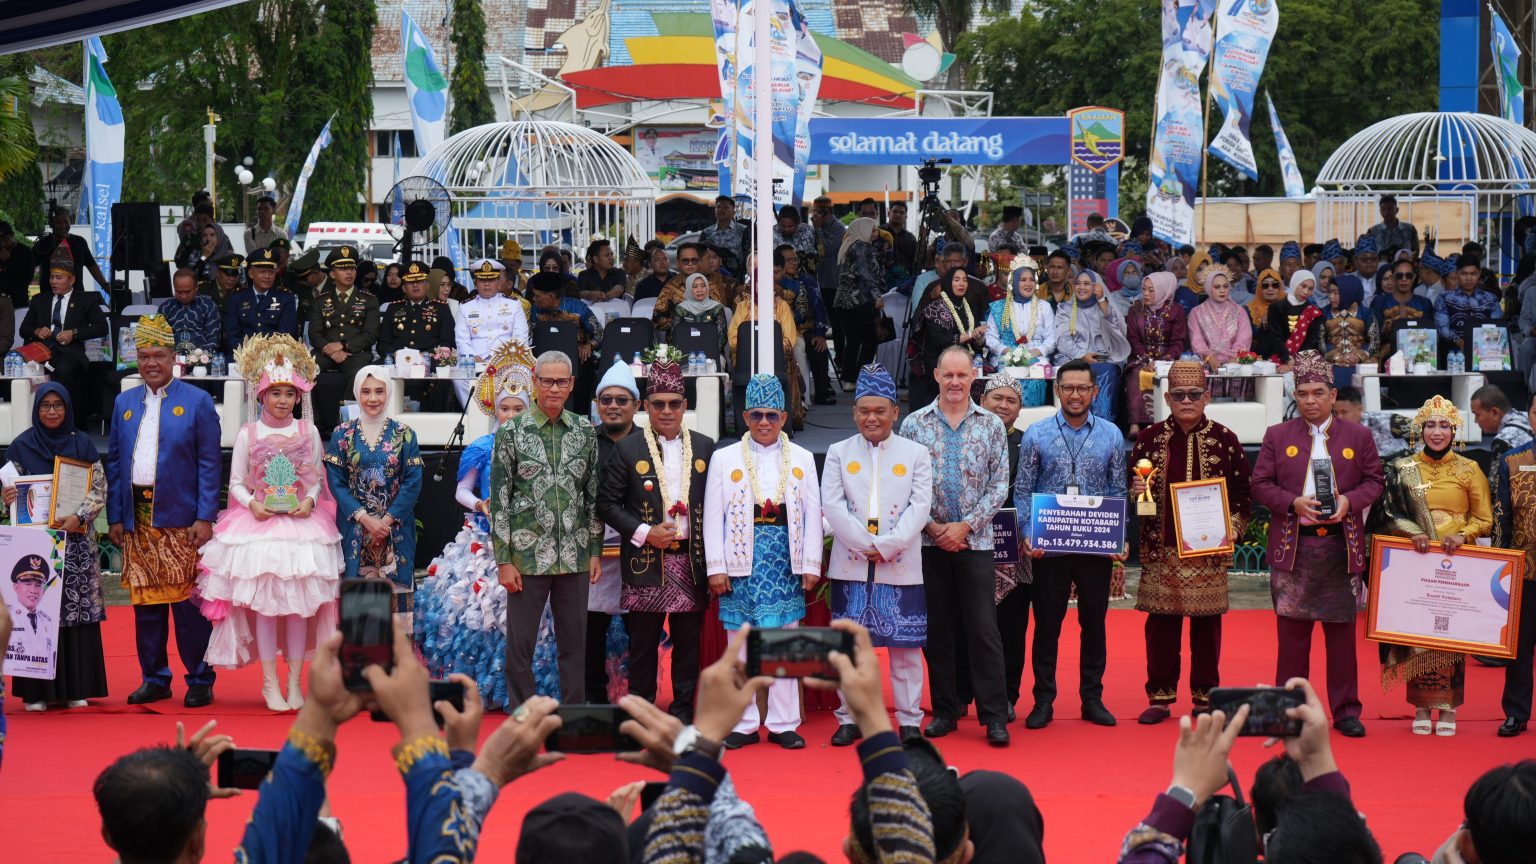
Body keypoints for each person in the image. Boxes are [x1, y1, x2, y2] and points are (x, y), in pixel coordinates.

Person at [1251, 350, 1384, 737]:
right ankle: (1288, 712)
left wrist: (1350, 502)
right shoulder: (1278, 435)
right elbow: (1260, 485)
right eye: (1303, 392)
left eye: (1318, 392)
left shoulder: (1358, 436)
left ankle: (1345, 711)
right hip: (1295, 547)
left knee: (1342, 636)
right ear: (1295, 394)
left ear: (1332, 395)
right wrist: (1292, 503)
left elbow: (1375, 481)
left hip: (1341, 547)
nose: (1310, 399)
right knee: (1291, 639)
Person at [106, 314, 222, 708]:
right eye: (143, 357)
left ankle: (200, 678)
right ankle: (155, 677)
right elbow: (116, 465)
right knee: (146, 607)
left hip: (183, 521)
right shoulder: (124, 402)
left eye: (157, 355)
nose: (150, 363)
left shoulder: (197, 401)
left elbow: (210, 463)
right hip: (137, 520)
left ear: (174, 358)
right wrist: (116, 517)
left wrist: (205, 516)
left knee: (187, 608)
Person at [1129, 361, 1253, 724]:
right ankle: (1160, 697)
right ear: (1166, 397)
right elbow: (1138, 494)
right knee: (1161, 627)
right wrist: (1136, 491)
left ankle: (1205, 697)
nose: (1187, 400)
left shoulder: (1226, 440)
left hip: (1208, 552)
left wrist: (1232, 527)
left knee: (1207, 628)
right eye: (1179, 395)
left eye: (1194, 394)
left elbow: (1244, 493)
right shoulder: (1148, 439)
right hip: (1161, 550)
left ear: (1207, 396)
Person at [899, 347, 1011, 745]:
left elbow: (1000, 486)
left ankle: (994, 715)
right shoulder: (913, 425)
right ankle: (946, 710)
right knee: (938, 630)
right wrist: (932, 528)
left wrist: (964, 527)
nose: (955, 382)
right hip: (928, 546)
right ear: (935, 375)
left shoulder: (992, 426)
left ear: (973, 376)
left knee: (983, 631)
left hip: (976, 543)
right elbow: (906, 485)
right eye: (948, 375)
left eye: (962, 375)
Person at [703, 374, 822, 749]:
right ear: (744, 416)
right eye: (756, 415)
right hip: (741, 559)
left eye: (772, 415)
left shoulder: (802, 458)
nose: (764, 423)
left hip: (786, 559)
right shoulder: (725, 458)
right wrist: (716, 567)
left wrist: (811, 565)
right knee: (739, 643)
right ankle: (743, 723)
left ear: (784, 417)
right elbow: (712, 516)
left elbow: (813, 512)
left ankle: (785, 721)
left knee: (785, 640)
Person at [416, 342, 536, 710]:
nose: (511, 414)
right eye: (505, 408)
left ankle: (523, 686)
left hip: (531, 542)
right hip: (484, 539)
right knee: (480, 614)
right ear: (494, 409)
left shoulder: (541, 445)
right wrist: (482, 503)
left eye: (519, 408)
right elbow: (460, 491)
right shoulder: (483, 446)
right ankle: (482, 685)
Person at [823, 363, 933, 744]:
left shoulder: (916, 453)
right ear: (854, 412)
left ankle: (908, 720)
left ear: (894, 412)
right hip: (850, 564)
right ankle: (849, 716)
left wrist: (886, 546)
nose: (872, 418)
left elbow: (920, 508)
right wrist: (863, 544)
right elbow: (833, 506)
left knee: (905, 648)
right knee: (851, 647)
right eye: (864, 411)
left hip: (901, 563)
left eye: (880, 410)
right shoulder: (838, 452)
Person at [598, 359, 714, 722]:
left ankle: (683, 713)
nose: (667, 411)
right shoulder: (628, 449)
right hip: (647, 560)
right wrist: (647, 533)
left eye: (674, 403)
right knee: (643, 644)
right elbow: (606, 504)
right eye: (659, 404)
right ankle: (642, 712)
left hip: (691, 561)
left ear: (685, 406)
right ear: (646, 407)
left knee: (688, 646)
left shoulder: (706, 448)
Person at [1016, 358, 1128, 730]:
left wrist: (1119, 534)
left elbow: (1117, 489)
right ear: (1057, 390)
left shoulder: (1112, 434)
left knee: (1093, 624)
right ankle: (1043, 700)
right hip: (1049, 547)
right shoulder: (1036, 433)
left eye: (1083, 388)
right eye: (1068, 388)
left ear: (1094, 392)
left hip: (1095, 545)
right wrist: (1028, 532)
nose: (1076, 394)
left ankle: (1091, 698)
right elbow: (1023, 490)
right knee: (1047, 625)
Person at [490, 350, 603, 705]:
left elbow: (592, 496)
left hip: (575, 554)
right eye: (547, 381)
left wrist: (595, 551)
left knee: (575, 645)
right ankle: (523, 717)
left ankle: (573, 716)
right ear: (535, 383)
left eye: (562, 381)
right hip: (526, 557)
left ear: (571, 385)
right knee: (520, 645)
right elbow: (499, 499)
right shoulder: (511, 432)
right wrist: (503, 559)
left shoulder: (585, 430)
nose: (554, 388)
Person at [1375, 396, 1489, 736]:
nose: (1436, 432)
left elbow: (1484, 519)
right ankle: (1422, 706)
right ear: (1419, 430)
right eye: (1430, 425)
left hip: (1456, 563)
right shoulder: (1403, 468)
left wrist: (1463, 534)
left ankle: (1448, 708)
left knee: (1450, 634)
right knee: (1417, 633)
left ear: (1454, 431)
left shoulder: (1470, 469)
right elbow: (1390, 514)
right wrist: (1412, 533)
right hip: (1416, 562)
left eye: (1444, 426)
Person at [4, 384, 108, 711]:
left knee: (74, 613)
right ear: (36, 410)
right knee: (36, 608)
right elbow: (11, 491)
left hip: (75, 542)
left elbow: (99, 489)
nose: (51, 412)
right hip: (35, 545)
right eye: (45, 406)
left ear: (67, 408)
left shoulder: (82, 444)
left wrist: (78, 517)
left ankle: (76, 688)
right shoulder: (21, 446)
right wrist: (6, 497)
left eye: (57, 405)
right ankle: (36, 693)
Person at [325, 366, 424, 621]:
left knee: (395, 612)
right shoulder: (342, 434)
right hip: (355, 530)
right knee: (360, 612)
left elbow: (412, 482)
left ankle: (396, 660)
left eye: (379, 391)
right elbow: (336, 482)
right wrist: (365, 519)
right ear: (357, 394)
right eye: (366, 391)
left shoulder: (405, 434)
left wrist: (386, 521)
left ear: (389, 393)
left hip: (396, 531)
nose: (373, 398)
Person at [21, 244, 109, 424]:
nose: (54, 282)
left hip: (71, 353)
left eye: (59, 278)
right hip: (42, 352)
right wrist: (37, 330)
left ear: (72, 279)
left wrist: (74, 333)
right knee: (20, 369)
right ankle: (30, 423)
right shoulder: (40, 300)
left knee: (64, 370)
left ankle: (64, 422)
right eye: (52, 277)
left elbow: (102, 327)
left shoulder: (86, 300)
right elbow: (24, 329)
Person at [1496, 394, 1536, 737]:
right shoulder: (1512, 460)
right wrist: (1499, 565)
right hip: (1525, 570)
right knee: (1519, 647)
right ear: (1530, 416)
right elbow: (1501, 520)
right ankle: (1516, 712)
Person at [1052, 269, 1131, 422]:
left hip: (1104, 358)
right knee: (1071, 372)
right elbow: (1062, 339)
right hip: (1073, 357)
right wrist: (1082, 355)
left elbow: (1117, 331)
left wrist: (1102, 301)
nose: (1081, 287)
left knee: (1107, 370)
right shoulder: (1065, 309)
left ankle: (1103, 423)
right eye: (1078, 283)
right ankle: (1076, 422)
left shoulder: (1105, 306)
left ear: (1096, 286)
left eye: (1087, 284)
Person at [910, 266, 987, 410]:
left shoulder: (967, 306)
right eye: (956, 280)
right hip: (939, 359)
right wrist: (970, 335)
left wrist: (979, 339)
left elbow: (977, 342)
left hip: (966, 358)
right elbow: (940, 341)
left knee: (987, 376)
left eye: (965, 280)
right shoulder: (934, 309)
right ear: (947, 282)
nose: (961, 284)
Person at [984, 256, 1056, 407]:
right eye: (1023, 280)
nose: (1028, 283)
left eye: (1032, 279)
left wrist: (1034, 353)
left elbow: (1051, 339)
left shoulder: (1044, 307)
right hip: (1006, 357)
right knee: (1009, 381)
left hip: (1036, 357)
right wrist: (1008, 352)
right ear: (1014, 282)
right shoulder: (999, 308)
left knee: (1035, 380)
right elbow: (990, 338)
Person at [1124, 271, 1188, 435]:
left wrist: (1166, 361)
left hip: (1168, 359)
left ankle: (1169, 421)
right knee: (1136, 375)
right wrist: (1146, 360)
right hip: (1140, 358)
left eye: (1151, 290)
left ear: (1163, 290)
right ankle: (1135, 423)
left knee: (1173, 377)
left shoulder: (1176, 310)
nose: (1145, 293)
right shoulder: (1135, 309)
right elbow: (1133, 339)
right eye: (1144, 288)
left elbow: (1178, 340)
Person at [310, 246, 380, 387]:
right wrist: (330, 350)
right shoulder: (321, 300)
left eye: (352, 268)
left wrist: (343, 345)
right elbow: (314, 333)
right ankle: (315, 410)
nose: (349, 272)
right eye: (342, 269)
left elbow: (371, 334)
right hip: (326, 352)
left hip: (356, 353)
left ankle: (346, 409)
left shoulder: (369, 299)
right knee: (306, 372)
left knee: (359, 375)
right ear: (332, 274)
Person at [833, 217, 887, 392]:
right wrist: (877, 296)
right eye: (872, 230)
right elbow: (866, 273)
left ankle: (849, 380)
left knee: (854, 340)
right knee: (870, 339)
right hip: (860, 301)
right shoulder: (862, 246)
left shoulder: (849, 244)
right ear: (862, 230)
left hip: (843, 302)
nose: (876, 234)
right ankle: (861, 378)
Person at [1187, 269, 1253, 400]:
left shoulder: (1239, 311)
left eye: (1225, 286)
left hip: (1234, 363)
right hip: (1206, 362)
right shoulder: (1196, 312)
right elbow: (1197, 340)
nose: (1222, 290)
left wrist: (1233, 359)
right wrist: (1209, 358)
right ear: (1208, 288)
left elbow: (1244, 338)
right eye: (1217, 287)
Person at [223, 248, 299, 350]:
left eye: (271, 272)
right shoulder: (236, 297)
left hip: (275, 355)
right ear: (251, 274)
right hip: (242, 354)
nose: (267, 276)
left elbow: (285, 335)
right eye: (262, 272)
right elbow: (232, 334)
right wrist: (247, 354)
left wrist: (267, 353)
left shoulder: (285, 298)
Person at [379, 260, 456, 356]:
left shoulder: (442, 308)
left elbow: (448, 343)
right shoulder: (393, 308)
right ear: (403, 288)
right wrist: (396, 354)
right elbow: (382, 344)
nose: (415, 285)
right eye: (411, 282)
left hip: (430, 362)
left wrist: (426, 355)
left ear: (428, 285)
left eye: (419, 281)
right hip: (397, 361)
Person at [1435, 256, 1502, 360]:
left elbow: (1497, 325)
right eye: (1464, 274)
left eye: (1473, 274)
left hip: (1486, 350)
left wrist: (1478, 344)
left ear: (1479, 273)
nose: (1469, 278)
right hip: (1453, 352)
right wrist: (1459, 341)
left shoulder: (1491, 298)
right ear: (1457, 274)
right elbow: (1442, 327)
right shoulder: (1444, 298)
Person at [1370, 257, 1435, 358]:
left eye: (1408, 275)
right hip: (1386, 356)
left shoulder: (1424, 303)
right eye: (1399, 276)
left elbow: (1430, 335)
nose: (1404, 279)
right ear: (1393, 277)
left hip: (1418, 356)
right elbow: (1374, 335)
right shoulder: (1380, 302)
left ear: (1414, 277)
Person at [1322, 274, 1380, 387]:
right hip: (1332, 363)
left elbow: (1374, 341)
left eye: (1336, 292)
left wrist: (1358, 355)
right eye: (1329, 292)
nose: (1331, 296)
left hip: (1360, 364)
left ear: (1349, 292)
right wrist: (1337, 357)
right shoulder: (1324, 313)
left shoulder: (1367, 313)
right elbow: (1320, 341)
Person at [32, 206, 109, 291]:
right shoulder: (43, 244)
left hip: (76, 297)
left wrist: (105, 285)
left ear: (70, 221)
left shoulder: (80, 242)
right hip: (49, 298)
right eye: (58, 222)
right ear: (52, 224)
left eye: (66, 221)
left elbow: (92, 265)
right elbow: (29, 265)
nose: (63, 225)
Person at [1260, 269, 1324, 365]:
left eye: (1310, 289)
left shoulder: (1313, 312)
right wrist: (1286, 358)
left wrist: (1297, 361)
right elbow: (1275, 338)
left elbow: (1311, 341)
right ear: (1294, 283)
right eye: (1303, 286)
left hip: (1304, 359)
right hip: (1277, 355)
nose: (1306, 292)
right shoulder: (1276, 307)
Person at [1331, 386, 1410, 463]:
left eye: (1344, 412)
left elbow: (1420, 431)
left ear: (1360, 409)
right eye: (1335, 413)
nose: (1339, 417)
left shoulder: (1386, 421)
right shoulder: (1332, 431)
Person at [159, 268, 223, 354]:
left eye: (187, 292)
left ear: (196, 288)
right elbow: (159, 340)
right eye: (179, 292)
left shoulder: (208, 306)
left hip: (203, 361)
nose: (183, 296)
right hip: (172, 360)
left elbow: (214, 339)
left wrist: (200, 358)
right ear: (174, 288)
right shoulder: (165, 308)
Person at [672, 272, 729, 363]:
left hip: (713, 355)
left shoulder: (716, 308)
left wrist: (705, 354)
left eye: (703, 286)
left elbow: (721, 339)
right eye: (695, 287)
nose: (700, 290)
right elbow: (675, 337)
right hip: (685, 354)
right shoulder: (681, 309)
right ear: (689, 289)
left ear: (707, 287)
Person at [0, 220, 38, 311]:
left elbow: (27, 277)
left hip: (18, 303)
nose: (2, 243)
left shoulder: (25, 252)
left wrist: (7, 262)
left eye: (6, 239)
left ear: (12, 235)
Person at [575, 238, 628, 303]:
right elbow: (581, 292)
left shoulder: (619, 272)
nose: (611, 258)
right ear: (596, 259)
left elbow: (619, 289)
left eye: (611, 254)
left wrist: (606, 296)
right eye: (607, 255)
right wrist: (591, 294)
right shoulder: (584, 275)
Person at [701, 196, 748, 264]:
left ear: (733, 211)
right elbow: (700, 255)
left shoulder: (743, 230)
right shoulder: (706, 232)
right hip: (713, 273)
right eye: (718, 207)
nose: (720, 210)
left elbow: (748, 255)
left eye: (725, 207)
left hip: (736, 274)